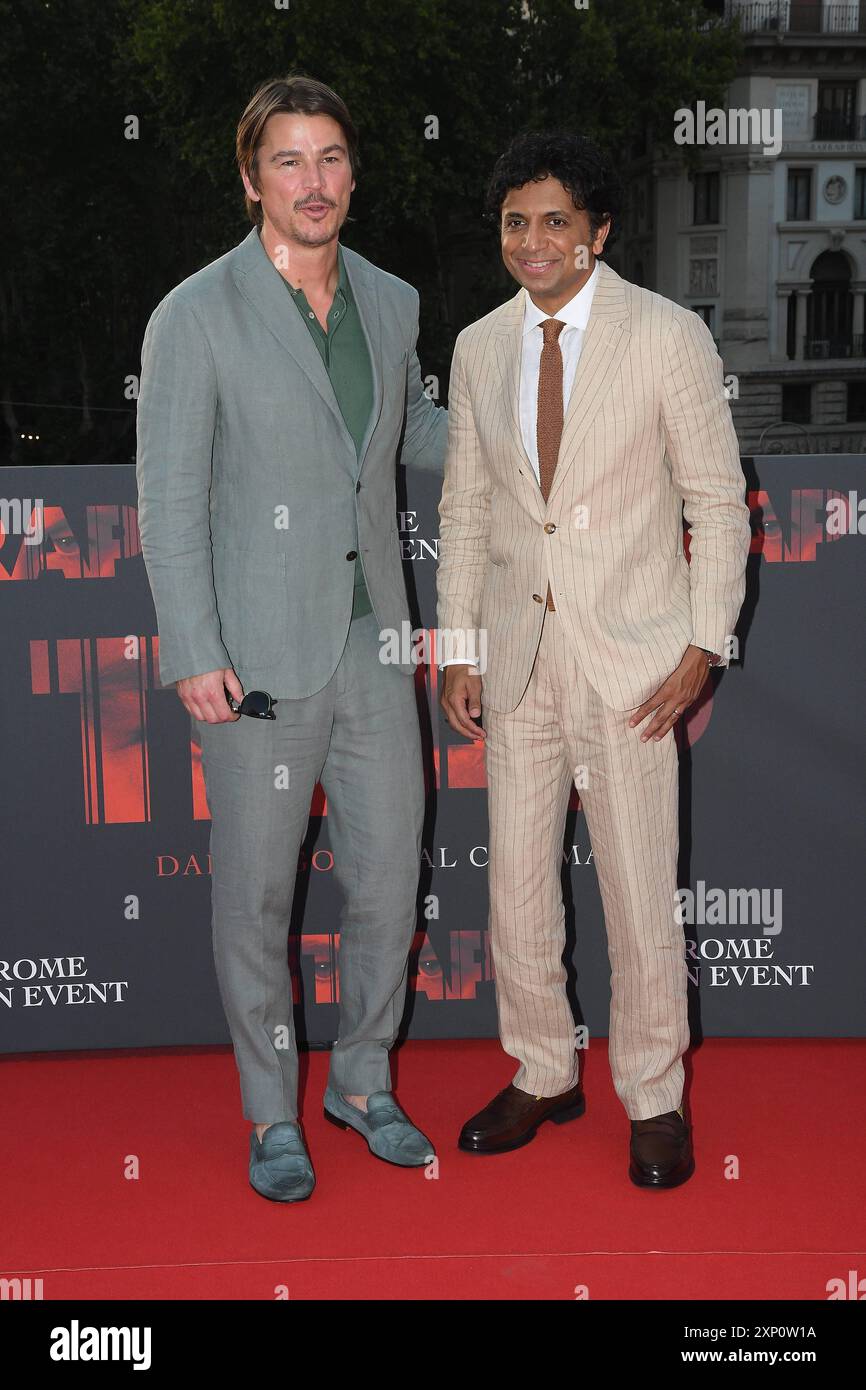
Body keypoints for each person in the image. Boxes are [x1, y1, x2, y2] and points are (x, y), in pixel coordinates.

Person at [136, 74, 447, 1202]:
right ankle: (273, 1110)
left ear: (354, 173)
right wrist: (192, 647)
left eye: (328, 158)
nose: (311, 182)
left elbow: (410, 426)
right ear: (250, 177)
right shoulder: (194, 314)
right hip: (257, 659)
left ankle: (360, 1081)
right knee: (257, 899)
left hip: (374, 645)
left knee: (384, 878)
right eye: (287, 161)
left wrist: (531, 432)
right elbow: (168, 500)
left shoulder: (391, 300)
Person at [436, 130, 750, 1188]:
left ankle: (652, 1096)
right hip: (518, 655)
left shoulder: (664, 335)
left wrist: (703, 645)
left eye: (554, 221)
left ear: (597, 230)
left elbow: (715, 502)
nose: (532, 242)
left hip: (631, 663)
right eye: (515, 222)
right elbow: (467, 506)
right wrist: (458, 648)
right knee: (515, 888)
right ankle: (540, 1070)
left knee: (634, 890)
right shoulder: (477, 346)